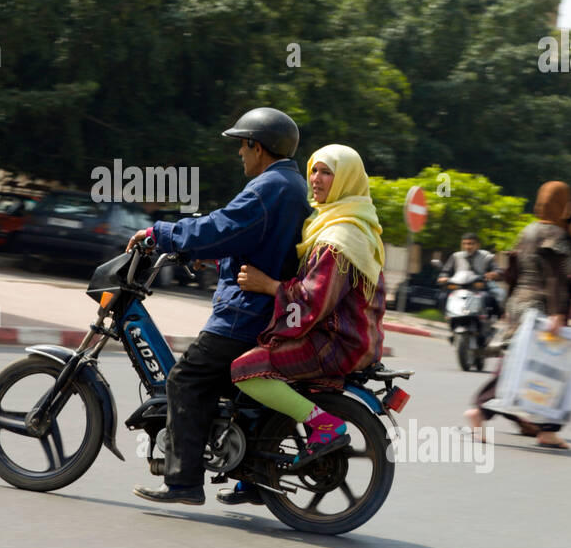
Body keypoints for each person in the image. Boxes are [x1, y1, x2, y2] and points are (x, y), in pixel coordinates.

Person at [128, 108, 313, 506]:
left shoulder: (269, 187)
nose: (239, 155)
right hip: (264, 309)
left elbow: (221, 226)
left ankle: (183, 482)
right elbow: (249, 240)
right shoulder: (290, 184)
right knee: (236, 393)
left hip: (245, 313)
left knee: (186, 379)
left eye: (242, 146)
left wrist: (159, 233)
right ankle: (255, 479)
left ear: (257, 146)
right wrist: (206, 254)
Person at [215, 144, 387, 506]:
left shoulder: (340, 237)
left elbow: (314, 299)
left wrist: (268, 286)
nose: (316, 179)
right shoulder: (338, 220)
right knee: (266, 376)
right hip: (343, 335)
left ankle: (324, 425)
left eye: (327, 172)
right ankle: (255, 473)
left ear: (346, 180)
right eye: (314, 170)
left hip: (338, 340)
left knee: (248, 368)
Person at [465, 181, 571, 449]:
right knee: (549, 368)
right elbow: (555, 278)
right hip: (538, 307)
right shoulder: (556, 236)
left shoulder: (528, 230)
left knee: (523, 365)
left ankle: (545, 428)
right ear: (562, 205)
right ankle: (482, 412)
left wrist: (509, 307)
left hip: (518, 303)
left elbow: (512, 268)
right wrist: (558, 313)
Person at [437, 231, 504, 320]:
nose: (467, 247)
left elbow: (496, 269)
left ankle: (490, 319)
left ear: (478, 245)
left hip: (478, 287)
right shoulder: (456, 256)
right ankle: (448, 316)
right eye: (464, 244)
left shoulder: (486, 255)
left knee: (488, 297)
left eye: (471, 244)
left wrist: (494, 273)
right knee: (442, 297)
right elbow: (446, 270)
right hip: (459, 286)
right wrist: (443, 277)